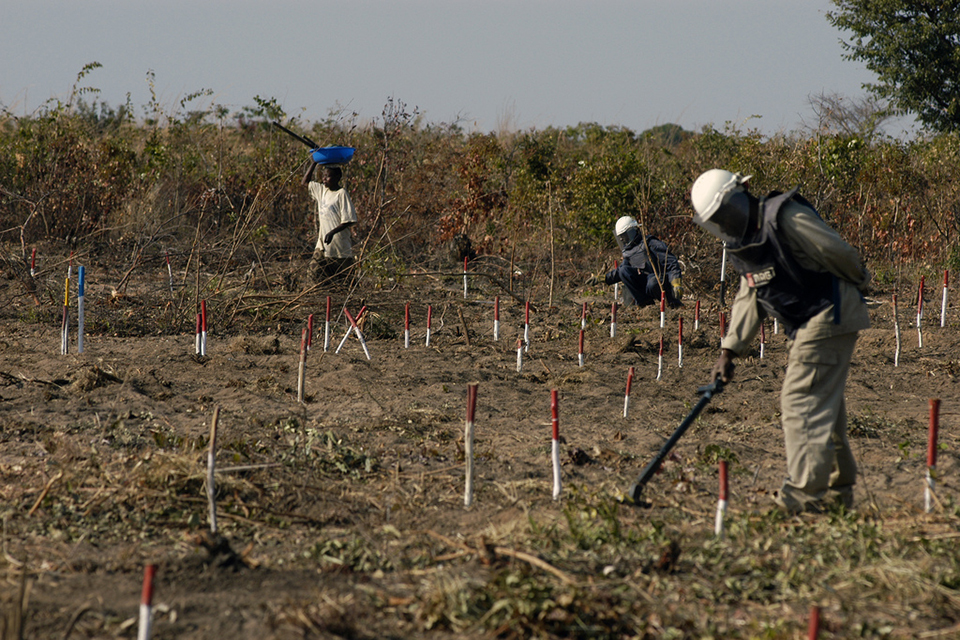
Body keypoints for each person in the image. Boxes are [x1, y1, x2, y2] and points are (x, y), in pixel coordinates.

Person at [690, 168, 871, 514]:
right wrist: (729, 350)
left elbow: (834, 250)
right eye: (718, 220)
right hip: (807, 322)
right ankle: (836, 494)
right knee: (823, 408)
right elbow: (749, 294)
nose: (726, 223)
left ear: (743, 192)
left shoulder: (784, 216)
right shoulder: (745, 244)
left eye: (727, 212)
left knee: (800, 401)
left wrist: (861, 279)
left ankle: (802, 497)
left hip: (828, 312)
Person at [604, 216, 683, 308]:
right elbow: (621, 271)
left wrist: (676, 282)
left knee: (653, 281)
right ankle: (645, 304)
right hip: (645, 283)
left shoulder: (650, 243)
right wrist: (604, 278)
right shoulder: (628, 252)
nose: (622, 239)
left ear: (633, 231)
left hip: (660, 281)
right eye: (620, 237)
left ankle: (672, 303)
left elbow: (671, 261)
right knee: (624, 270)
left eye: (624, 236)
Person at [302, 161, 357, 283]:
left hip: (339, 246)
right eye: (323, 176)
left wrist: (332, 232)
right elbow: (305, 182)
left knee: (344, 280)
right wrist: (314, 162)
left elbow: (349, 220)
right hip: (322, 245)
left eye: (328, 176)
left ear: (337, 178)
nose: (324, 179)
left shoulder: (341, 194)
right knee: (313, 275)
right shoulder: (322, 191)